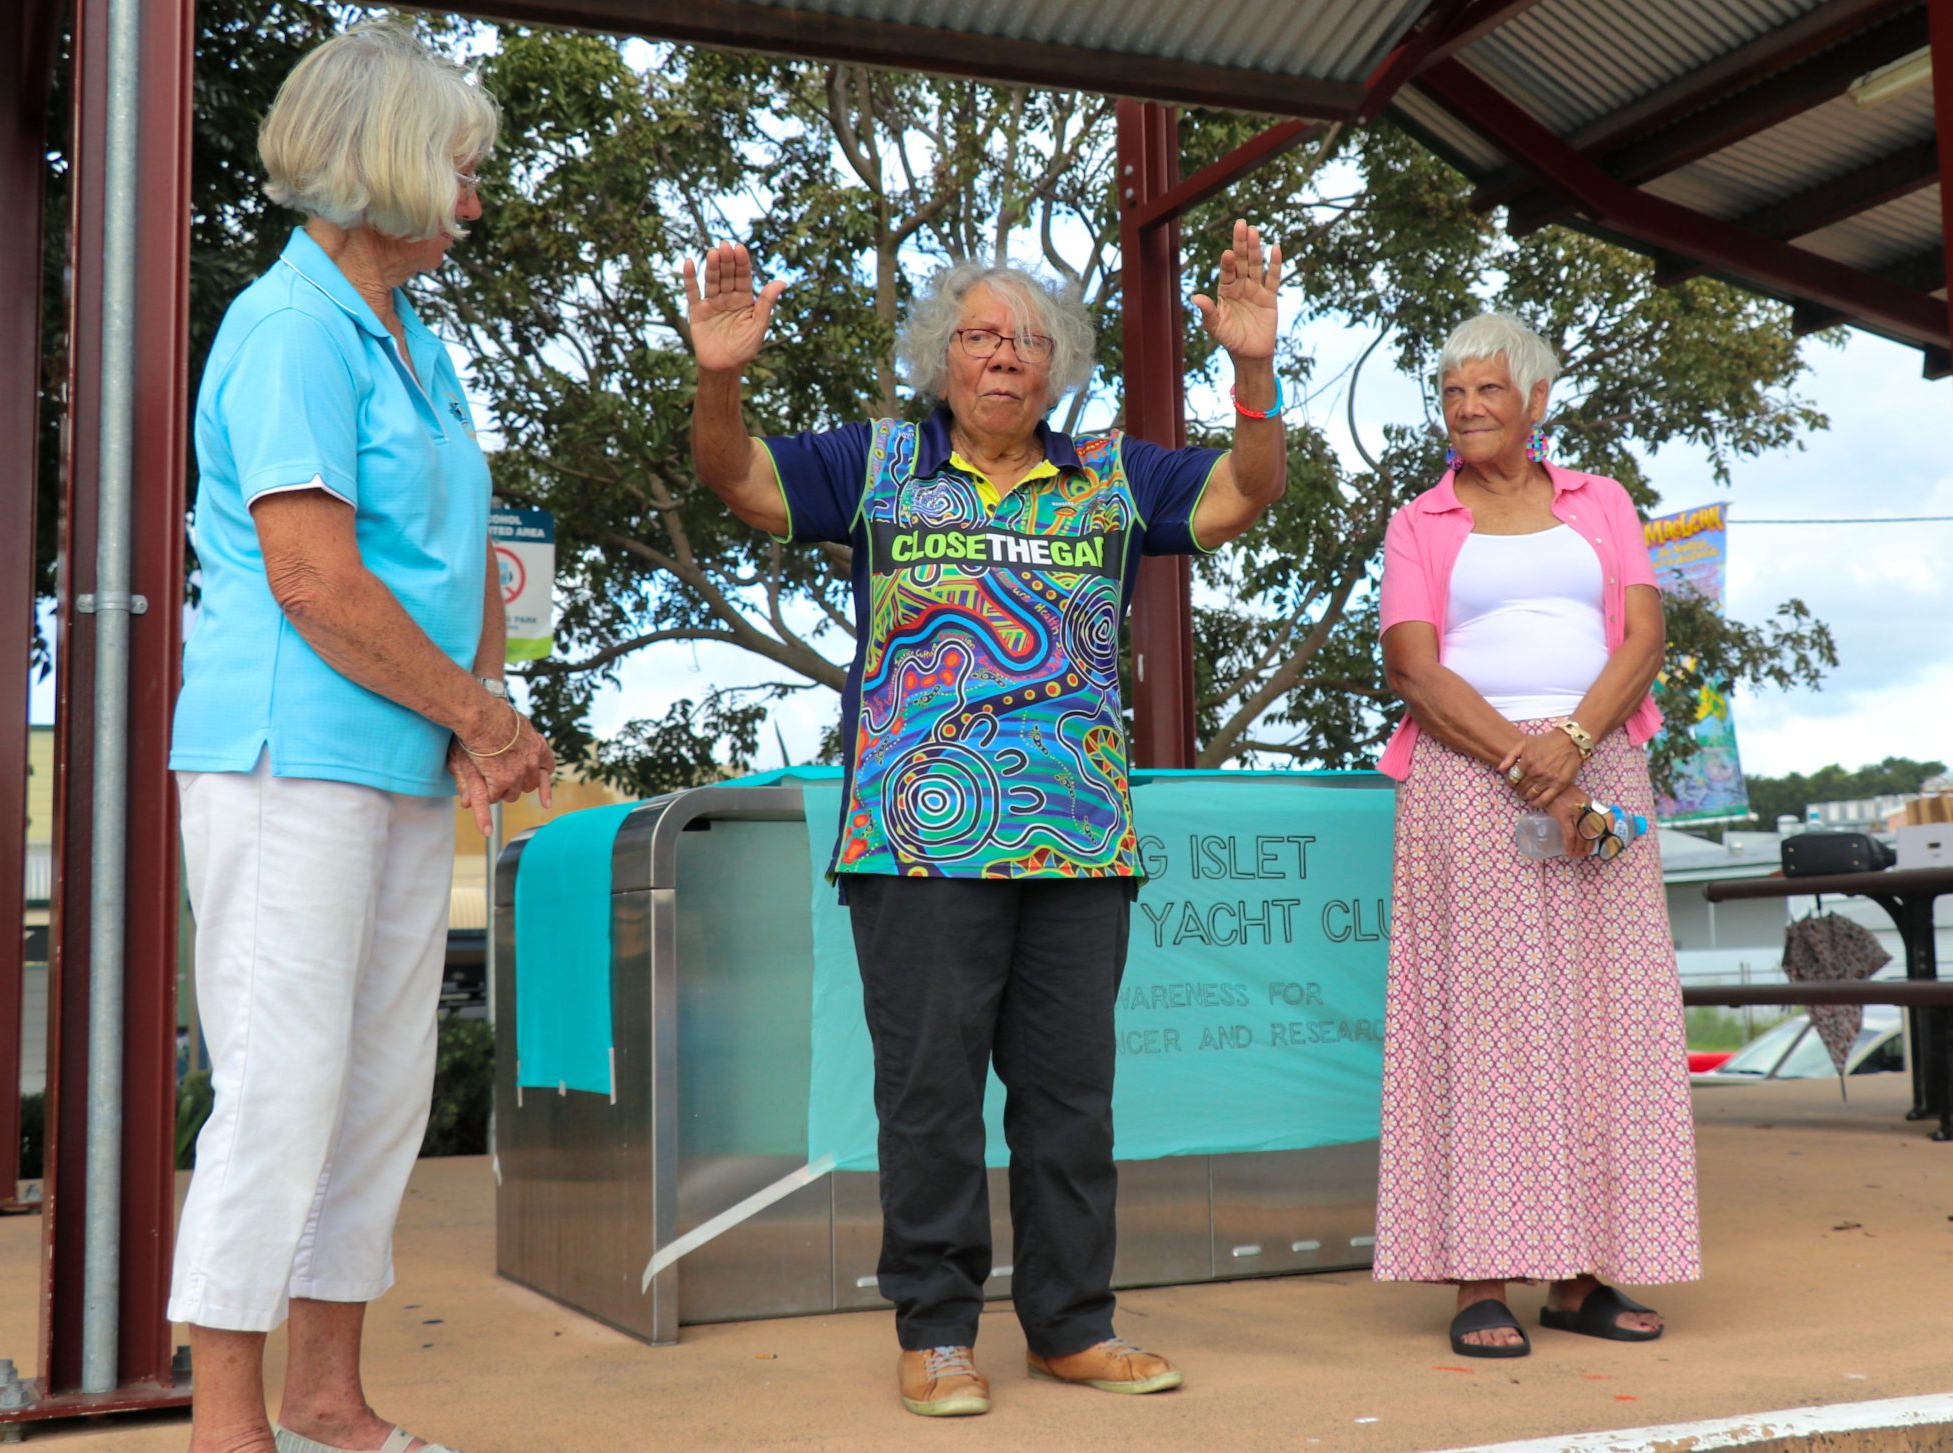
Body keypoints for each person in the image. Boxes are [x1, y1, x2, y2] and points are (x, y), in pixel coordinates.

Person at [684, 222, 1288, 1417]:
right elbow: (738, 480)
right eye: (978, 336)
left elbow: (1240, 496)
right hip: (913, 841)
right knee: (929, 1093)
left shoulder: (1112, 476)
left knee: (1071, 1098)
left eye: (1026, 340)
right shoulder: (872, 463)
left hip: (1077, 839)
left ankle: (1071, 1325)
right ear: (940, 359)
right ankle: (938, 1329)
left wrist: (1253, 371)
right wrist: (718, 375)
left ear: (1056, 367)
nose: (1002, 357)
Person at [167, 23, 551, 1453]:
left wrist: (475, 721)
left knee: (382, 1091)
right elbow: (316, 580)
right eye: (457, 163)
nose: (472, 193)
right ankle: (229, 1427)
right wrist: (476, 715)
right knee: (281, 1086)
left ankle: (328, 1404)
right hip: (290, 757)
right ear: (386, 161)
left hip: (397, 761)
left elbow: (461, 561)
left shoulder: (413, 340)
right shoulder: (285, 330)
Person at [1371, 312, 1700, 1358]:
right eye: (1451, 393)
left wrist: (1568, 743)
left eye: (1486, 392)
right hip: (1468, 774)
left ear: (1535, 401)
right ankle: (1476, 1277)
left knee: (1604, 1014)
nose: (1465, 410)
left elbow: (1643, 637)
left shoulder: (1600, 503)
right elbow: (1412, 669)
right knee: (1485, 1022)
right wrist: (1526, 765)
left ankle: (1579, 1276)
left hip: (1597, 757)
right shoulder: (1418, 520)